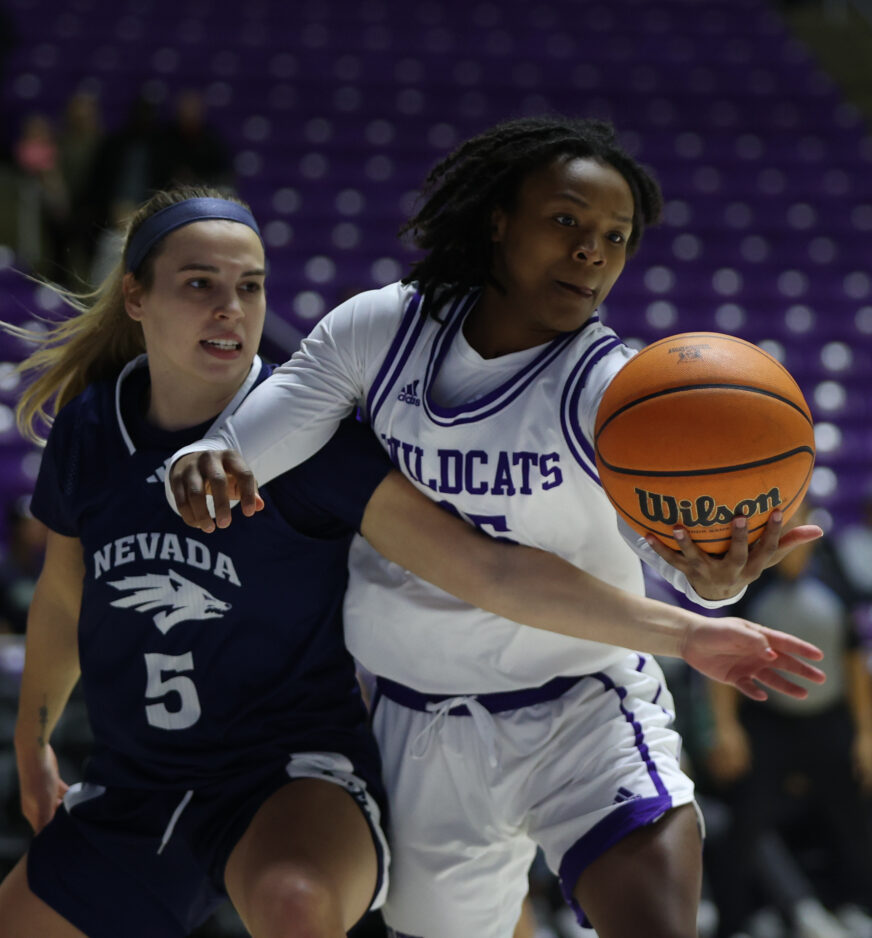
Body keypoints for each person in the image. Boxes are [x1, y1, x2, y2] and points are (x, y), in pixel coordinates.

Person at [0, 184, 823, 938]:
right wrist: (32, 741)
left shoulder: (308, 434)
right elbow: (65, 596)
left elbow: (488, 570)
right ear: (135, 296)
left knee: (294, 900)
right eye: (199, 284)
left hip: (291, 772)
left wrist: (689, 630)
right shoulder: (89, 431)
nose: (230, 308)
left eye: (249, 286)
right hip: (140, 774)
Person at [705, 502, 872, 938]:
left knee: (856, 819)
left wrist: (867, 732)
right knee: (745, 824)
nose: (791, 531)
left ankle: (857, 908)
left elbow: (854, 660)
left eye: (800, 521)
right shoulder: (751, 581)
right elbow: (721, 655)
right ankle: (733, 923)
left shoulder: (833, 570)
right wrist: (726, 727)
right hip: (768, 720)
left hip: (830, 717)